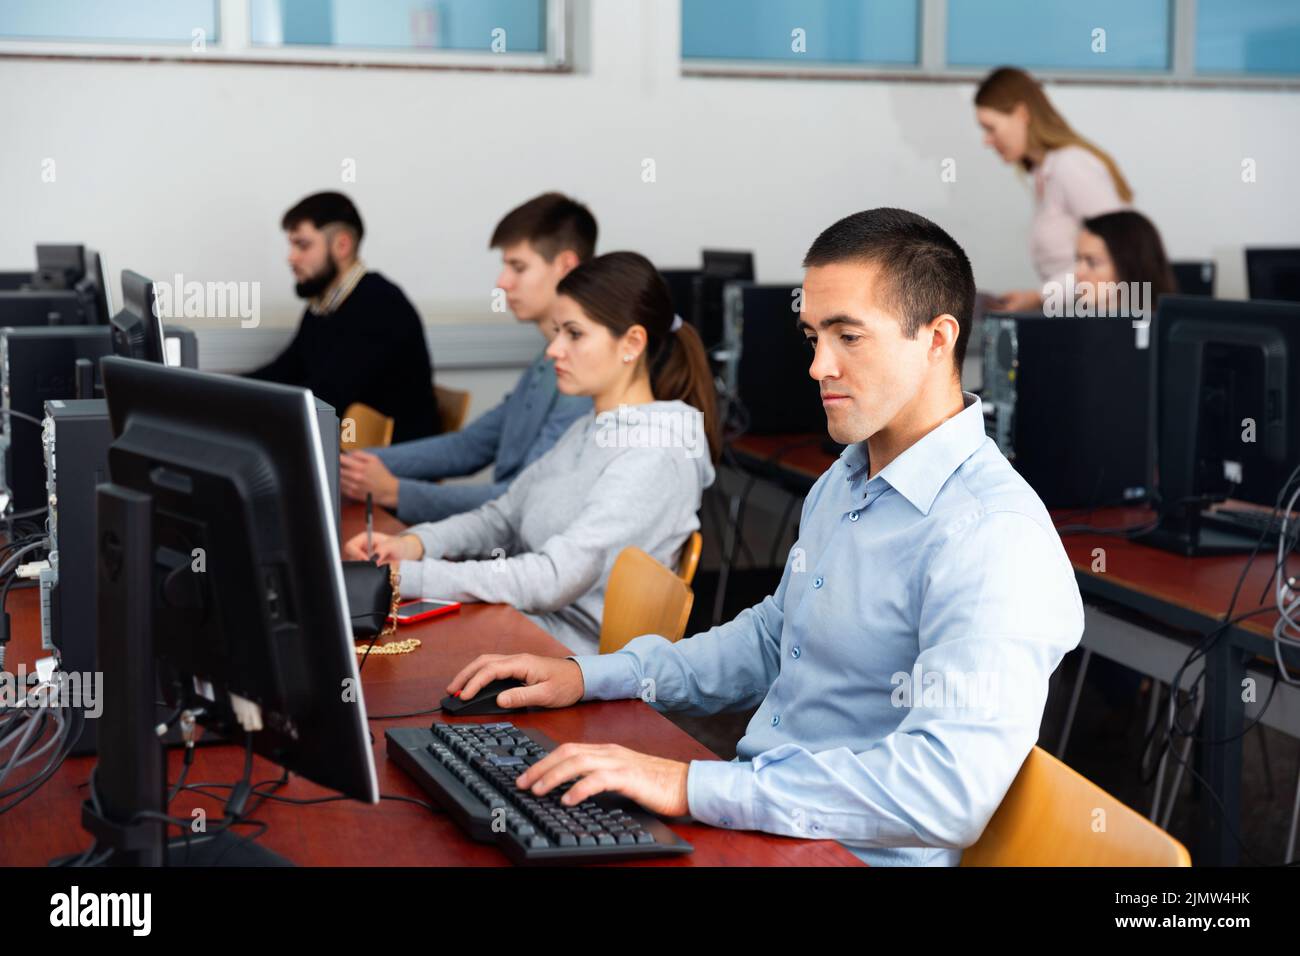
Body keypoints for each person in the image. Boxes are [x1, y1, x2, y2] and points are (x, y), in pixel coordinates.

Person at [445, 209, 1084, 866]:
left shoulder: (993, 538)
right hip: (764, 822)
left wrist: (690, 784)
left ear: (937, 338)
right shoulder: (846, 479)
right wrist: (591, 676)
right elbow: (773, 638)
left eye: (848, 337)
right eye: (813, 337)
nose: (817, 366)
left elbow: (944, 793)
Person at [343, 252, 719, 656]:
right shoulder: (590, 427)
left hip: (570, 665)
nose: (554, 349)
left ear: (631, 343)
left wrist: (407, 577)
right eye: (556, 332)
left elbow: (554, 578)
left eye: (573, 334)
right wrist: (415, 544)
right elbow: (503, 515)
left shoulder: (656, 454)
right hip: (524, 628)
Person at [338, 193, 596, 523]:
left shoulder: (585, 377)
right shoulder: (545, 362)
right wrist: (349, 463)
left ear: (565, 266)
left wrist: (395, 492)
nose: (502, 283)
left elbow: (523, 498)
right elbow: (470, 446)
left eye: (518, 267)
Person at [248, 191, 441, 442]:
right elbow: (285, 371)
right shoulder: (322, 306)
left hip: (386, 462)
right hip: (348, 449)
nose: (291, 257)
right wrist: (223, 391)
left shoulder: (381, 305)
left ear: (342, 245)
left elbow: (328, 397)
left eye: (302, 245)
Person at [975, 66, 1132, 313]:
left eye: (990, 128)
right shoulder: (1042, 173)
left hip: (1099, 319)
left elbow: (1117, 248)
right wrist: (1037, 297)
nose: (986, 140)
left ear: (1021, 113)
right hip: (1076, 315)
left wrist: (1040, 296)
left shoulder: (1070, 165)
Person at [1073, 209, 1178, 318]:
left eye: (1093, 262)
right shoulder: (1068, 326)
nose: (1079, 272)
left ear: (1130, 266)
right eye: (1078, 260)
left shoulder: (1169, 330)